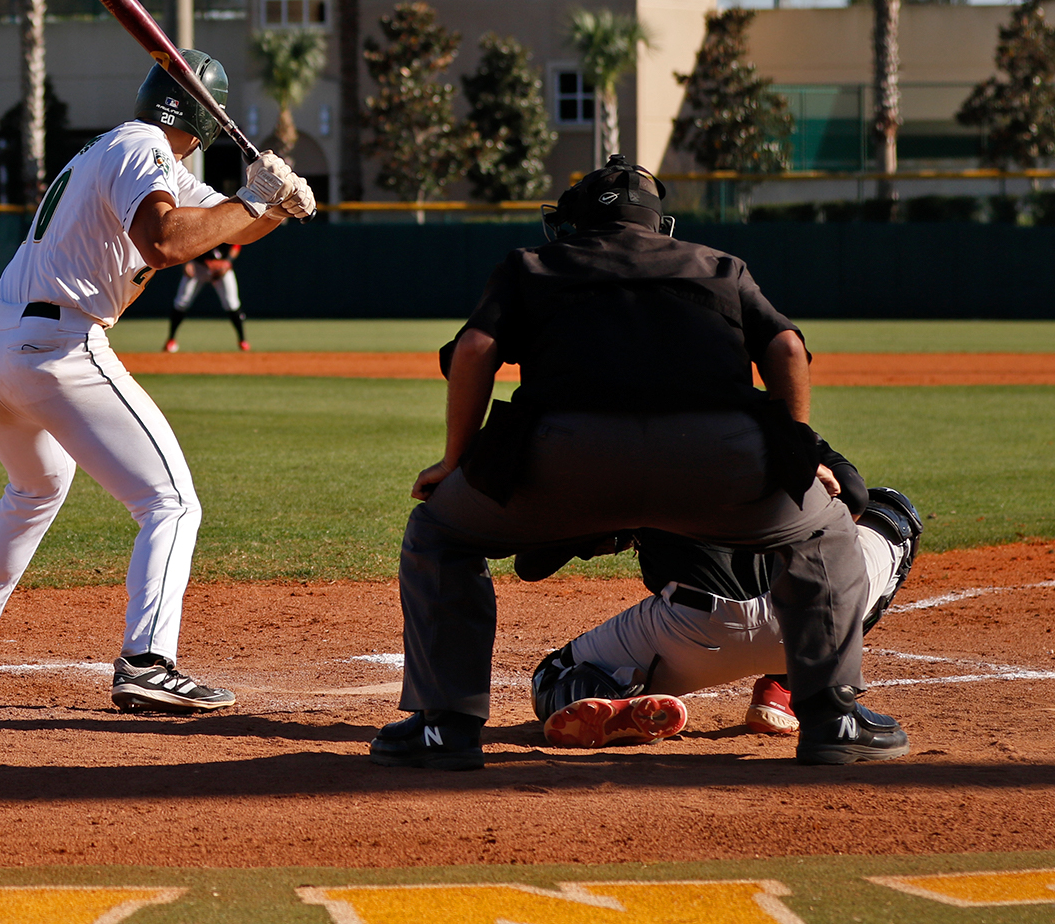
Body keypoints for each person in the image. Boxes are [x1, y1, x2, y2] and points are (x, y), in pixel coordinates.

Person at [371, 155, 908, 770]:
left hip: (564, 457)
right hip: (720, 458)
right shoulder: (719, 266)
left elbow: (473, 349)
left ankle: (446, 728)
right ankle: (831, 718)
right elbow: (786, 345)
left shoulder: (533, 264)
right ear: (660, 224)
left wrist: (454, 461)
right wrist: (796, 449)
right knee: (825, 529)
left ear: (571, 223)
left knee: (439, 533)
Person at [0, 49, 313, 714]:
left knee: (37, 485)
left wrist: (276, 208)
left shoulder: (137, 155)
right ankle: (147, 662)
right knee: (171, 502)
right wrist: (255, 196)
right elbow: (164, 242)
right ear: (207, 117)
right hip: (56, 344)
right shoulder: (142, 148)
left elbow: (208, 227)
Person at [523, 472, 923, 747]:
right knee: (893, 510)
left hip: (689, 634)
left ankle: (615, 701)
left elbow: (531, 564)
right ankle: (796, 687)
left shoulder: (627, 455)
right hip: (804, 621)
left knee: (550, 678)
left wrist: (624, 527)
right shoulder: (763, 421)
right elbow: (854, 495)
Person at [163, 244, 248, 352]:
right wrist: (186, 263)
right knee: (182, 302)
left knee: (232, 303)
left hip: (220, 267)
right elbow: (184, 243)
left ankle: (242, 340)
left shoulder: (227, 227)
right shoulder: (199, 226)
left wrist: (227, 262)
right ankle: (171, 339)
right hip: (197, 265)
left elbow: (236, 246)